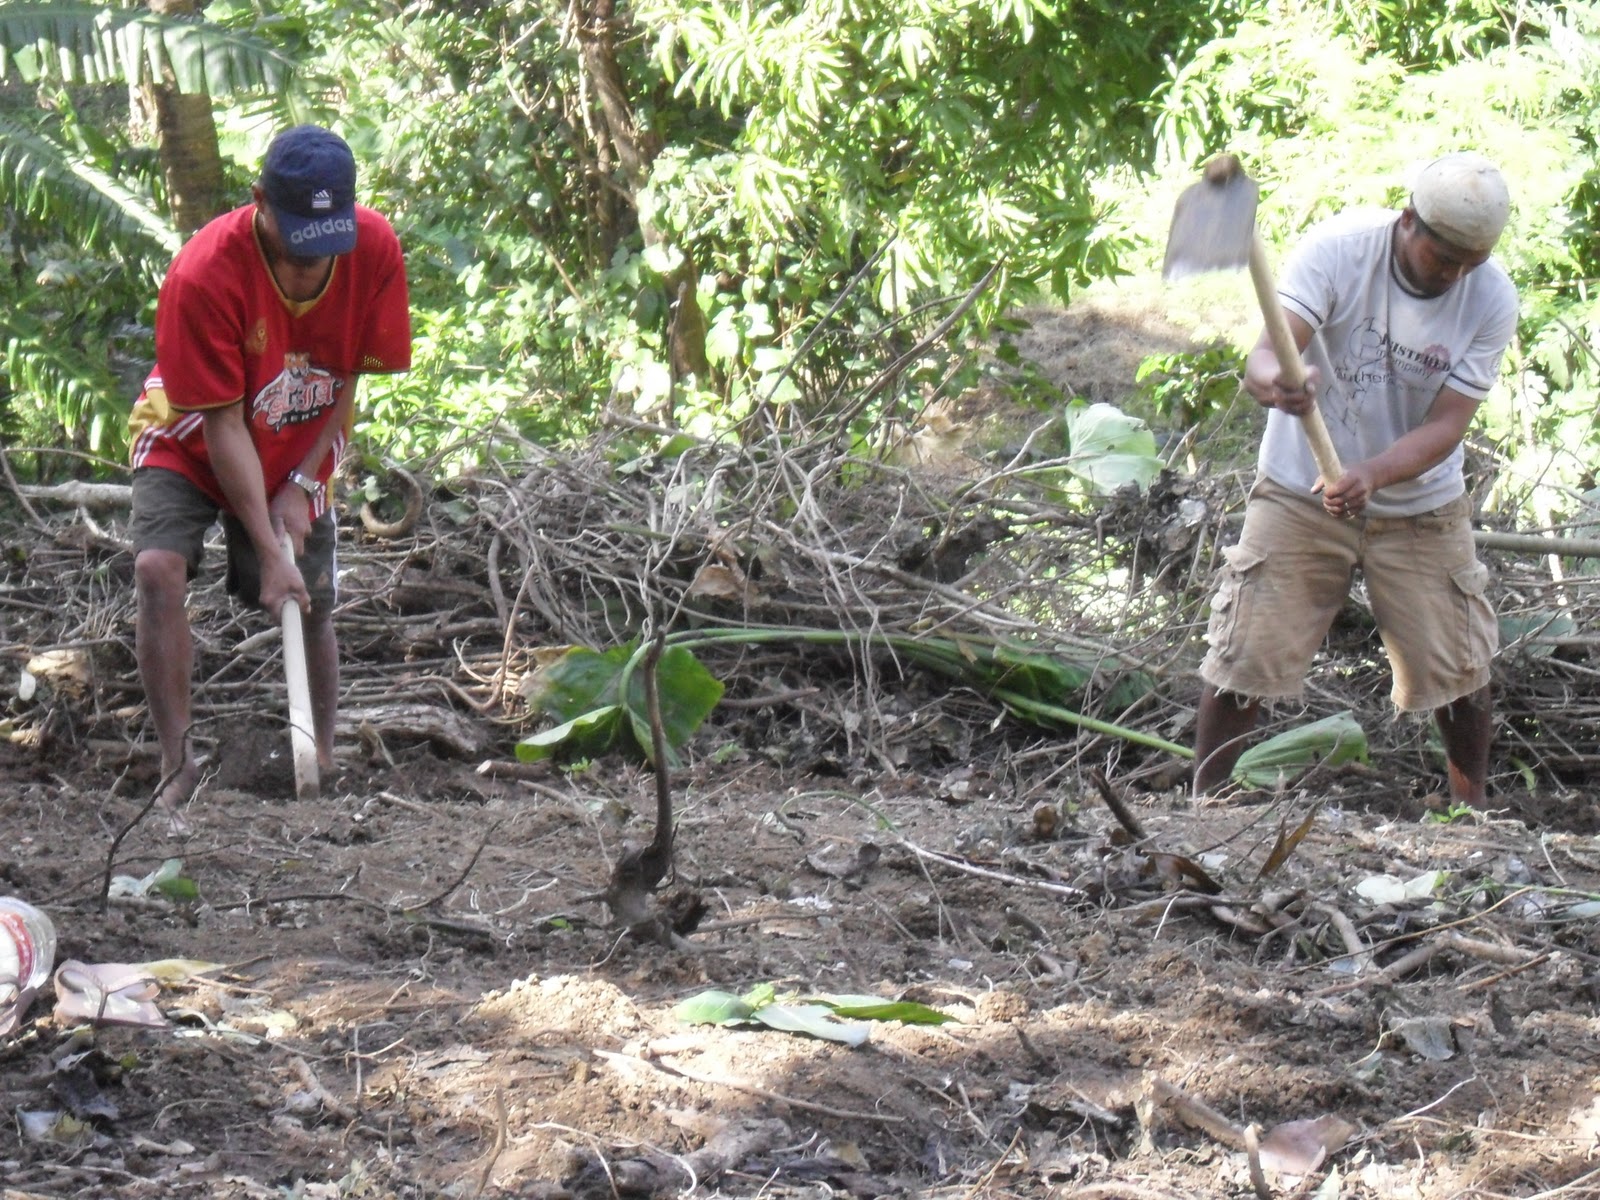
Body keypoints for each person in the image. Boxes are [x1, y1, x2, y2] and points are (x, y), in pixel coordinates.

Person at [1192, 151, 1517, 806]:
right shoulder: (1339, 251)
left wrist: (1372, 472)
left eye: (1467, 262)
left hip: (1420, 503)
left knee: (1457, 663)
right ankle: (1203, 802)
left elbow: (1449, 422)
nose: (1453, 274)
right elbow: (1266, 352)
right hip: (1297, 489)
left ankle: (1470, 809)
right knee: (1246, 651)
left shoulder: (1491, 297)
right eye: (1441, 257)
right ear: (1408, 223)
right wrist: (1274, 382)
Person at [128, 125, 412, 825]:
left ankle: (321, 753)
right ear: (260, 203)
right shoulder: (203, 274)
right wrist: (261, 540)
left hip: (298, 440)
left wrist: (307, 489)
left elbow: (347, 385)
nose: (309, 273)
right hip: (191, 435)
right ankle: (178, 765)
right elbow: (223, 427)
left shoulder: (374, 251)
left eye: (326, 250)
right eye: (296, 251)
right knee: (158, 569)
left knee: (309, 597)